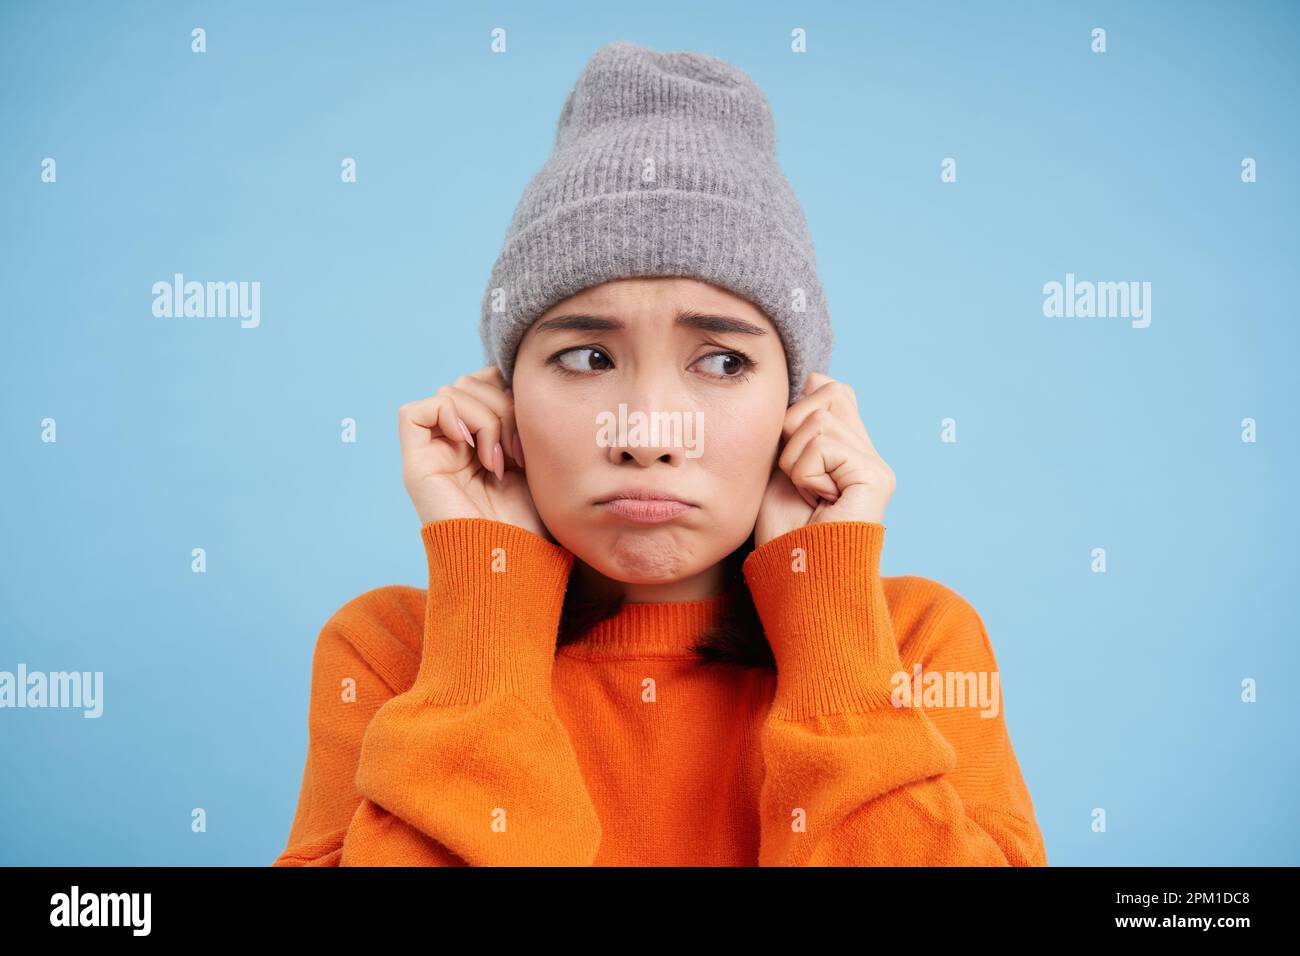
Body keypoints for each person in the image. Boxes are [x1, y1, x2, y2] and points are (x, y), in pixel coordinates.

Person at [271, 41, 1048, 867]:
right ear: (504, 399)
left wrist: (828, 624)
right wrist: (489, 607)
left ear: (799, 404)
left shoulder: (910, 644)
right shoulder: (391, 650)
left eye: (723, 361)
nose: (647, 435)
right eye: (587, 358)